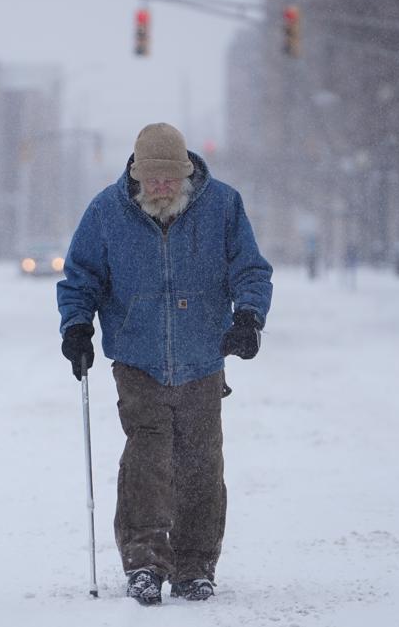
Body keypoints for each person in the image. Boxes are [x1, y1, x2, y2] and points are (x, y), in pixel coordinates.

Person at [56, 122, 273, 606]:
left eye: (169, 179)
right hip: (137, 356)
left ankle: (196, 564)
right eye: (151, 179)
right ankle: (145, 563)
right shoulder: (107, 212)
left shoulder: (222, 206)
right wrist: (76, 327)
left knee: (200, 461)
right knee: (147, 458)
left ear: (186, 173)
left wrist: (249, 317)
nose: (160, 188)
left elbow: (250, 268)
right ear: (136, 173)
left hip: (201, 355)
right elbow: (81, 277)